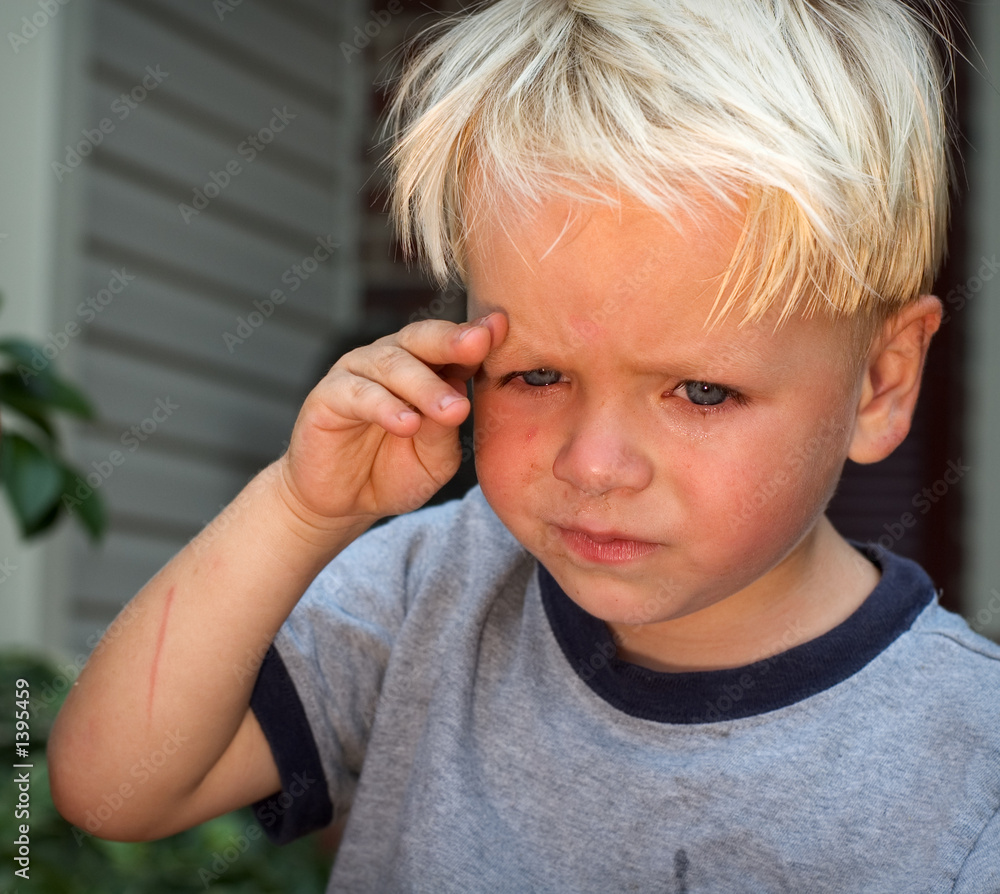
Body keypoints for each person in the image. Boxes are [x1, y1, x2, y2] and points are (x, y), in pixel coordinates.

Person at [49, 0, 1000, 890]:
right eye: (537, 376)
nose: (592, 465)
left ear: (881, 382)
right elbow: (115, 788)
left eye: (702, 391)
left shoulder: (969, 763)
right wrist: (303, 511)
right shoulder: (435, 589)